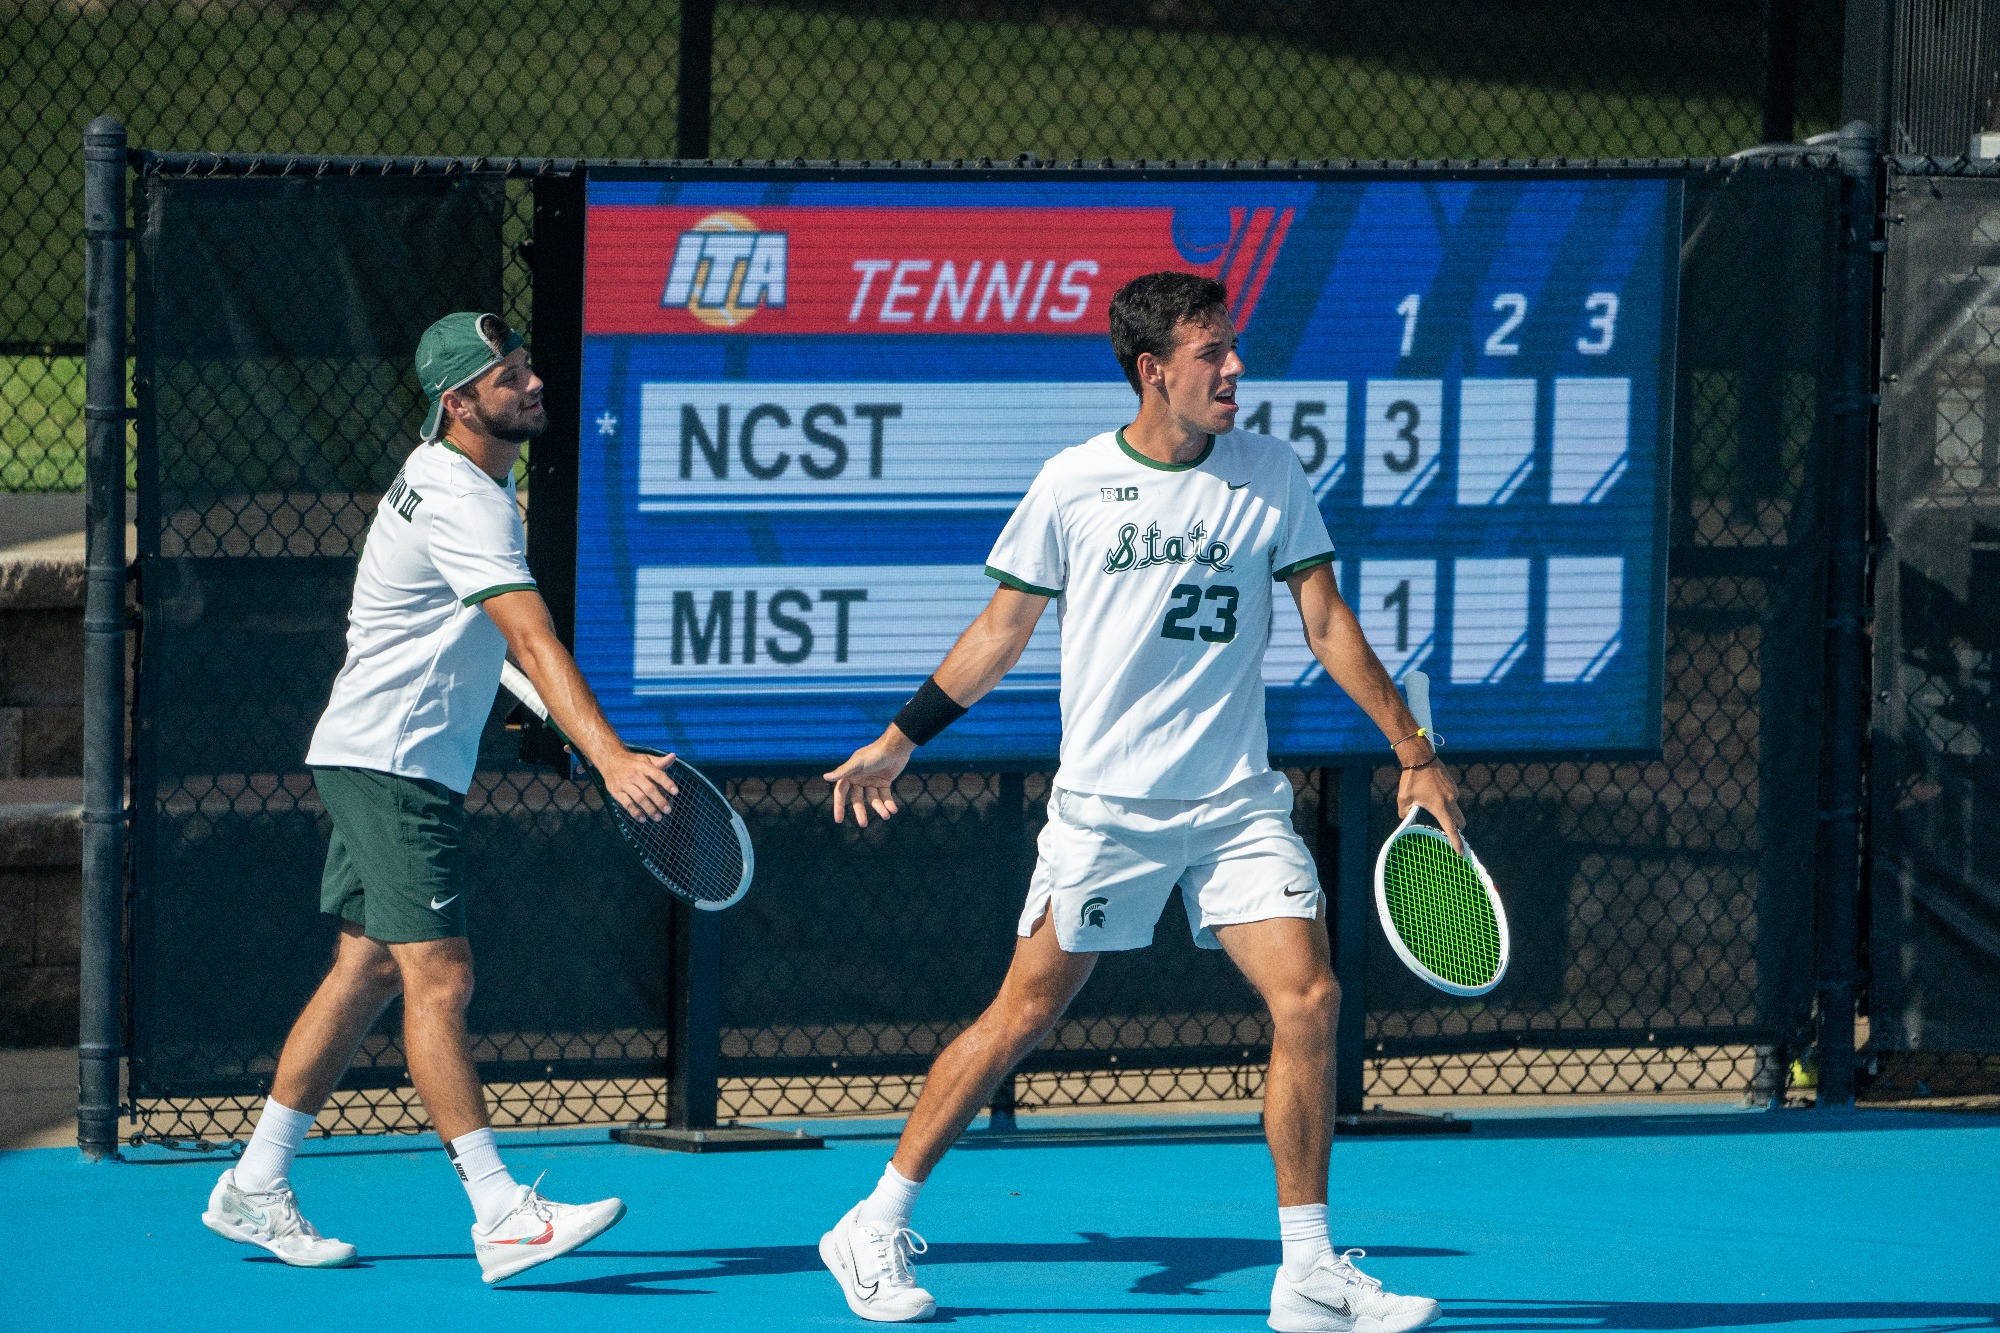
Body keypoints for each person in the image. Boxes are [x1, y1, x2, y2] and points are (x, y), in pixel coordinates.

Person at [816, 272, 1463, 1332]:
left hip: (1234, 806)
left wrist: (1413, 749)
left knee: (1307, 998)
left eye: (1234, 349)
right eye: (1212, 355)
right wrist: (898, 739)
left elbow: (1326, 622)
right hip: (1106, 811)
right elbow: (999, 634)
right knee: (1023, 1012)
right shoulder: (1073, 483)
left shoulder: (1269, 472)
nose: (1235, 370)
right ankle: (873, 1219)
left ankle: (1304, 1267)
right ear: (1151, 369)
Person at [200, 312, 680, 1284]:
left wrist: (550, 725)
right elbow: (531, 640)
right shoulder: (465, 497)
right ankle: (500, 1210)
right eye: (509, 377)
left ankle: (255, 1181)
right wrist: (612, 757)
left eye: (525, 367)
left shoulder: (453, 481)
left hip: (378, 752)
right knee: (441, 977)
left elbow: (478, 644)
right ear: (460, 402)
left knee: (369, 970)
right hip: (392, 763)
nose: (533, 383)